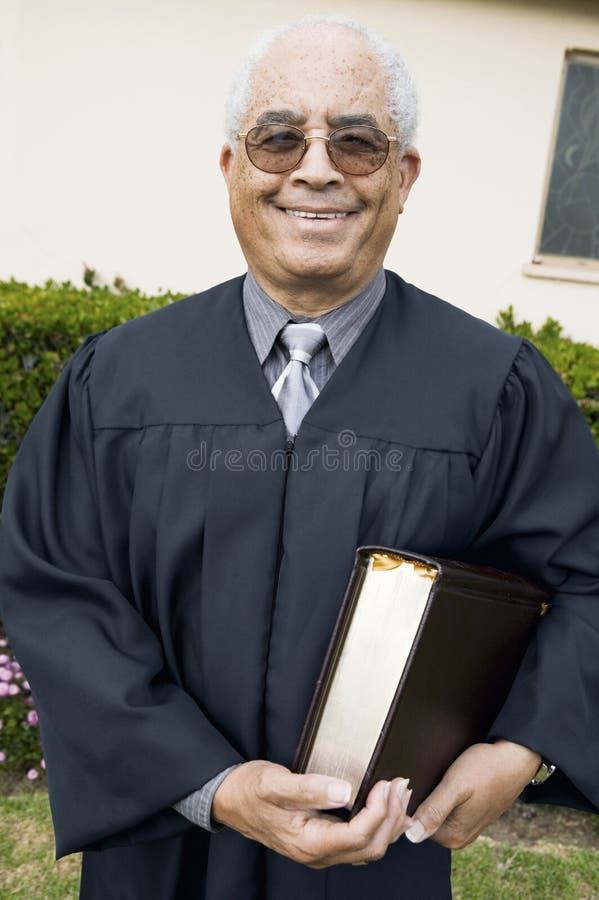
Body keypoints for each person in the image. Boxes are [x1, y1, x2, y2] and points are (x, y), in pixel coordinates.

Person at [0, 15, 598, 900]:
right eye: (278, 138)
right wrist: (214, 785)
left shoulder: (494, 388)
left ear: (404, 177)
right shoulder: (116, 383)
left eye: (356, 143)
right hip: (165, 850)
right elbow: (57, 591)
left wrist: (522, 746)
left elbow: (584, 582)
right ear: (230, 168)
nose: (315, 169)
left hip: (379, 853)